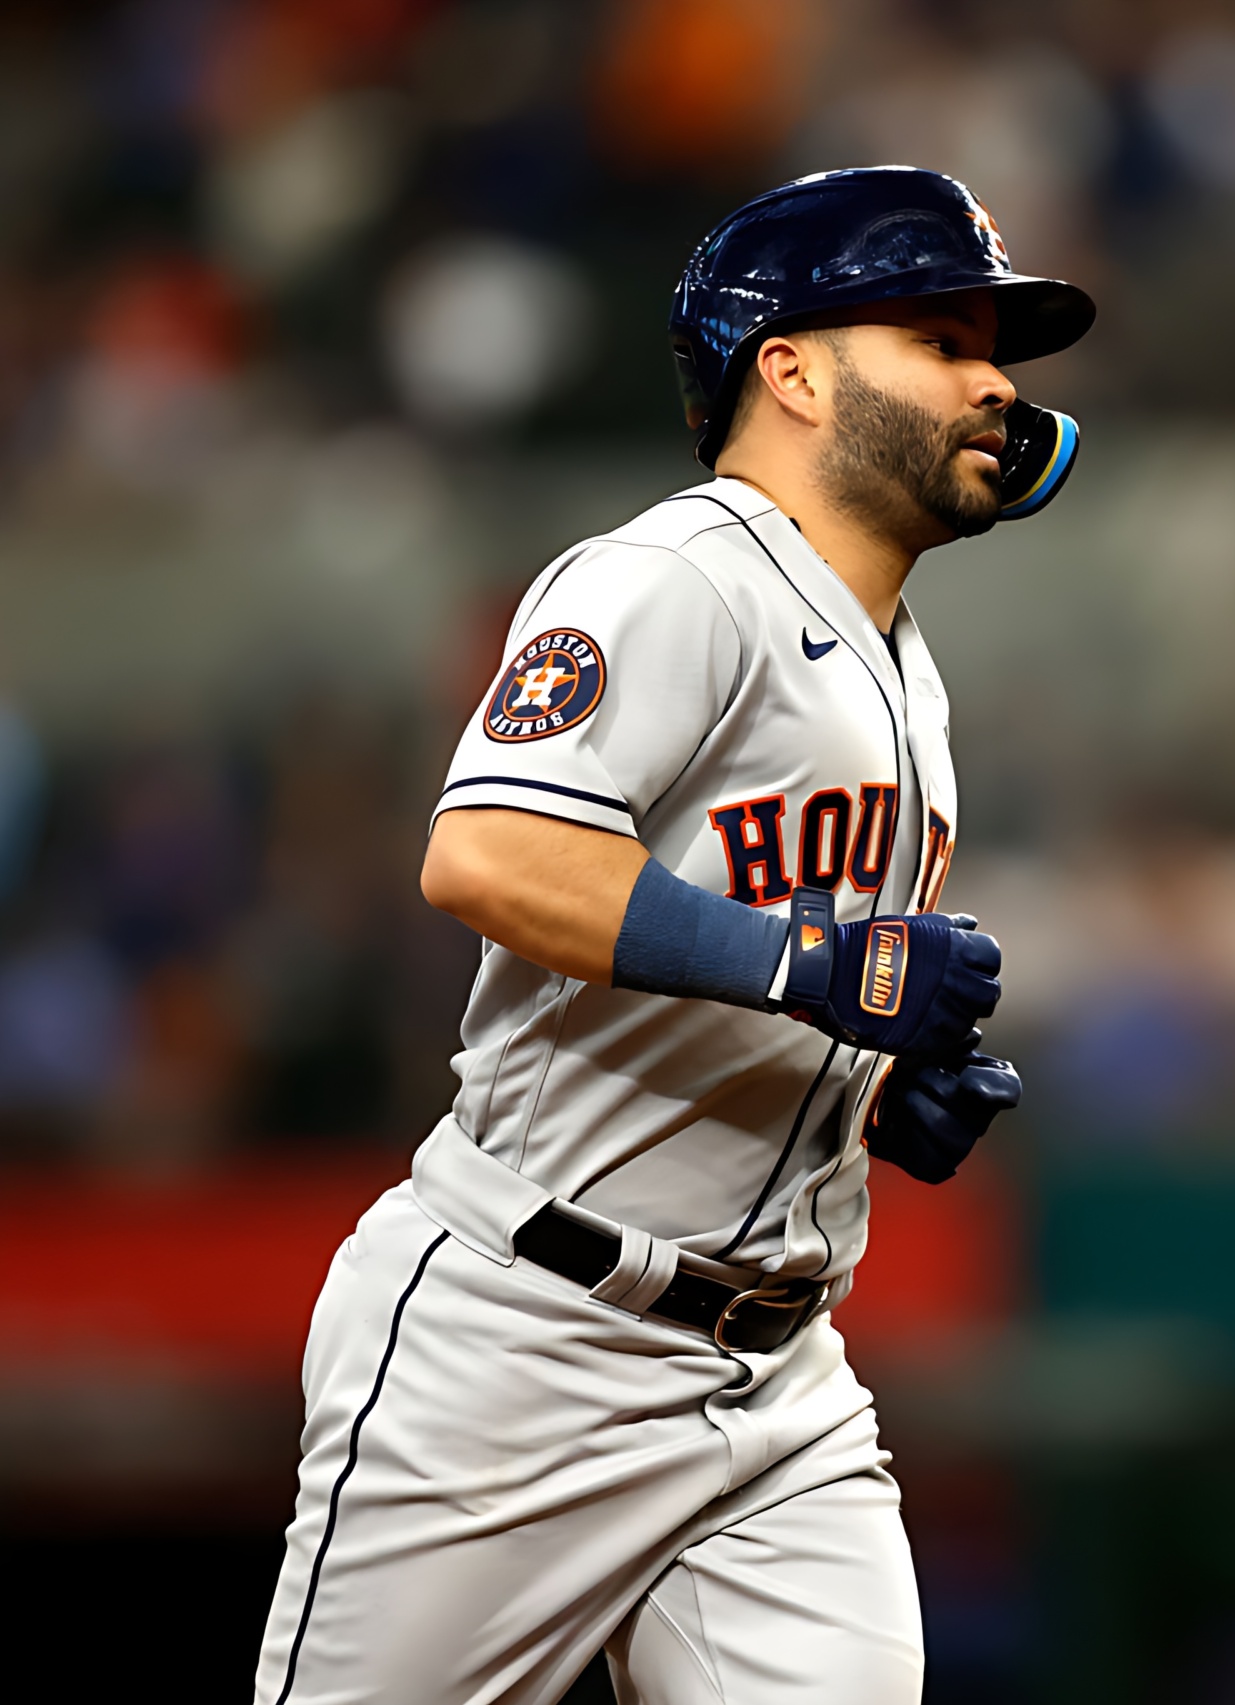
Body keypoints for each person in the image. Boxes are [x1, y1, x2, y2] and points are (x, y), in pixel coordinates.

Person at [254, 167, 1092, 1705]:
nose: (994, 381)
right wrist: (815, 977)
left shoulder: (906, 671)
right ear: (793, 368)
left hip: (778, 1377)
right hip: (528, 1339)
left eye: (998, 347)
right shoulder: (672, 575)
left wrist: (855, 1081)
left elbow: (777, 947)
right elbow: (488, 852)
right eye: (940, 335)